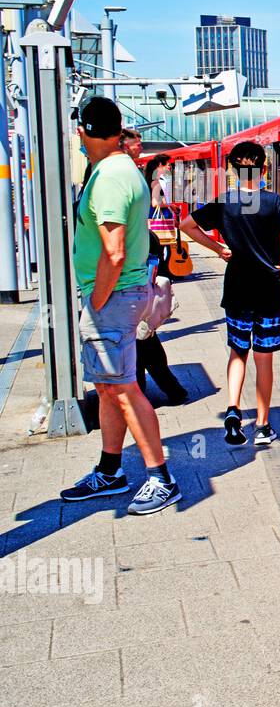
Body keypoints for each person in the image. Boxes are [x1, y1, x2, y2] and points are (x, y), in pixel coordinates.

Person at [60, 97, 182, 515]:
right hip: (119, 295)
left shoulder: (110, 176)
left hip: (111, 298)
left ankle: (160, 478)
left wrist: (95, 302)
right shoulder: (121, 170)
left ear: (83, 132)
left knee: (125, 389)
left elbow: (113, 252)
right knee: (109, 388)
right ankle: (111, 471)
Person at [179, 141, 280, 447]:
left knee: (238, 352)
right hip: (268, 292)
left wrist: (218, 248)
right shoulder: (274, 203)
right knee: (264, 359)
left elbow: (187, 225)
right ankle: (262, 427)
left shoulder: (225, 202)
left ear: (234, 171)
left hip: (236, 291)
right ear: (264, 169)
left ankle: (233, 410)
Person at [136, 231, 188, 406]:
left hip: (132, 301)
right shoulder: (147, 235)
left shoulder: (133, 237)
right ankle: (173, 389)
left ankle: (139, 394)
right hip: (146, 303)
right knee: (145, 341)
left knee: (140, 342)